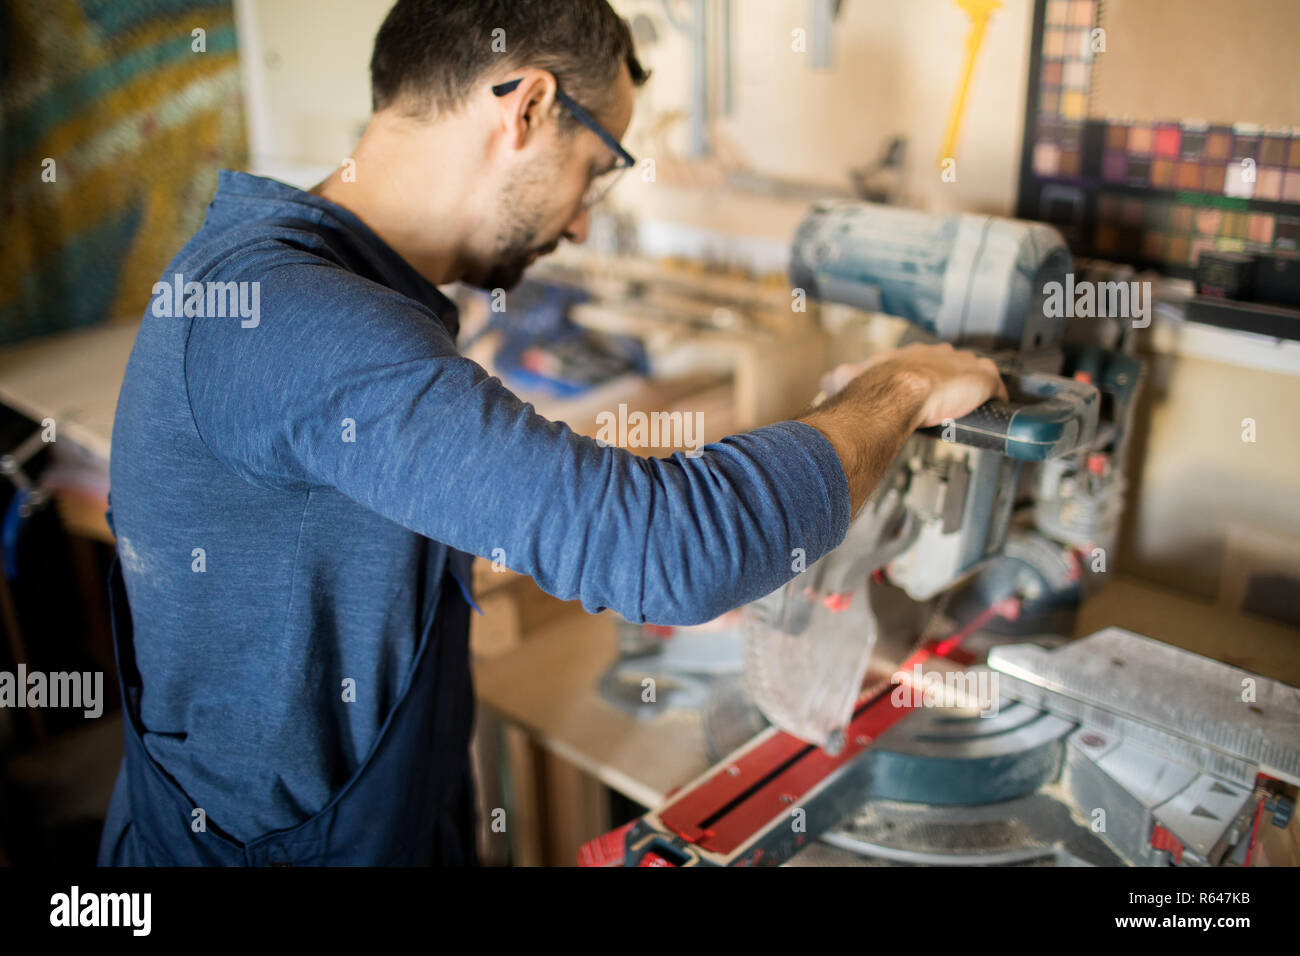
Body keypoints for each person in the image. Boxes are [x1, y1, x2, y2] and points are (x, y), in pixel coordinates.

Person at [100, 0, 1005, 865]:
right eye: (599, 166)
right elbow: (676, 550)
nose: (579, 221)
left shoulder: (309, 282)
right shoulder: (296, 319)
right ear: (528, 107)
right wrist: (903, 386)